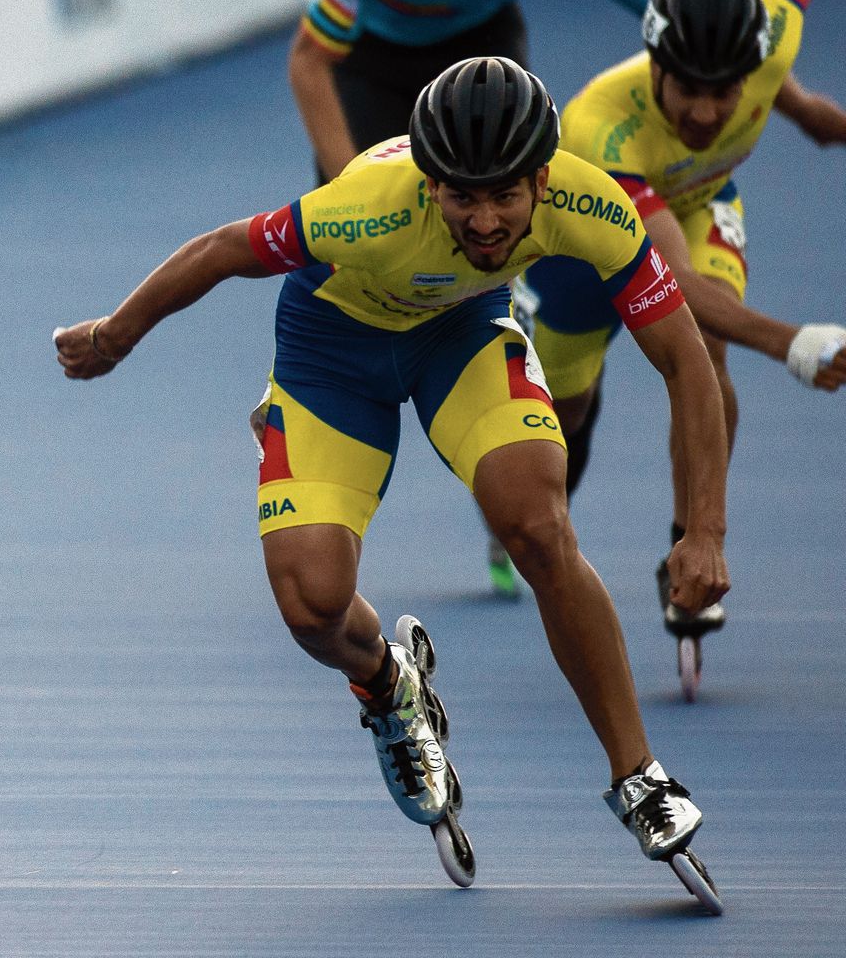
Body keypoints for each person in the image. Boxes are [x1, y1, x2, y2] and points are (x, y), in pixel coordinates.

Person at [55, 57, 728, 911]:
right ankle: (387, 684)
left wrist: (703, 531)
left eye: (505, 197)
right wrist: (115, 335)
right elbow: (223, 250)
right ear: (430, 182)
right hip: (331, 350)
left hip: (460, 333)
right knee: (312, 607)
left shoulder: (591, 204)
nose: (485, 221)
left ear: (543, 179)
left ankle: (639, 775)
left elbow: (687, 362)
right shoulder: (368, 206)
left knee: (537, 524)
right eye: (461, 198)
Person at [289, 0, 668, 594]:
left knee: (502, 210)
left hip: (480, 50)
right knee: (347, 256)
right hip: (373, 64)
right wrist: (352, 187)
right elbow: (308, 60)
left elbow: (673, 5)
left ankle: (508, 339)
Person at [518, 0, 846, 694]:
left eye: (724, 93)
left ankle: (689, 548)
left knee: (707, 367)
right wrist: (792, 342)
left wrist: (799, 106)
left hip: (697, 205)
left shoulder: (772, 37)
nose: (703, 113)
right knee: (566, 416)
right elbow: (673, 289)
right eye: (687, 91)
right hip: (583, 250)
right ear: (655, 66)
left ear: (752, 69)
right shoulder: (602, 128)